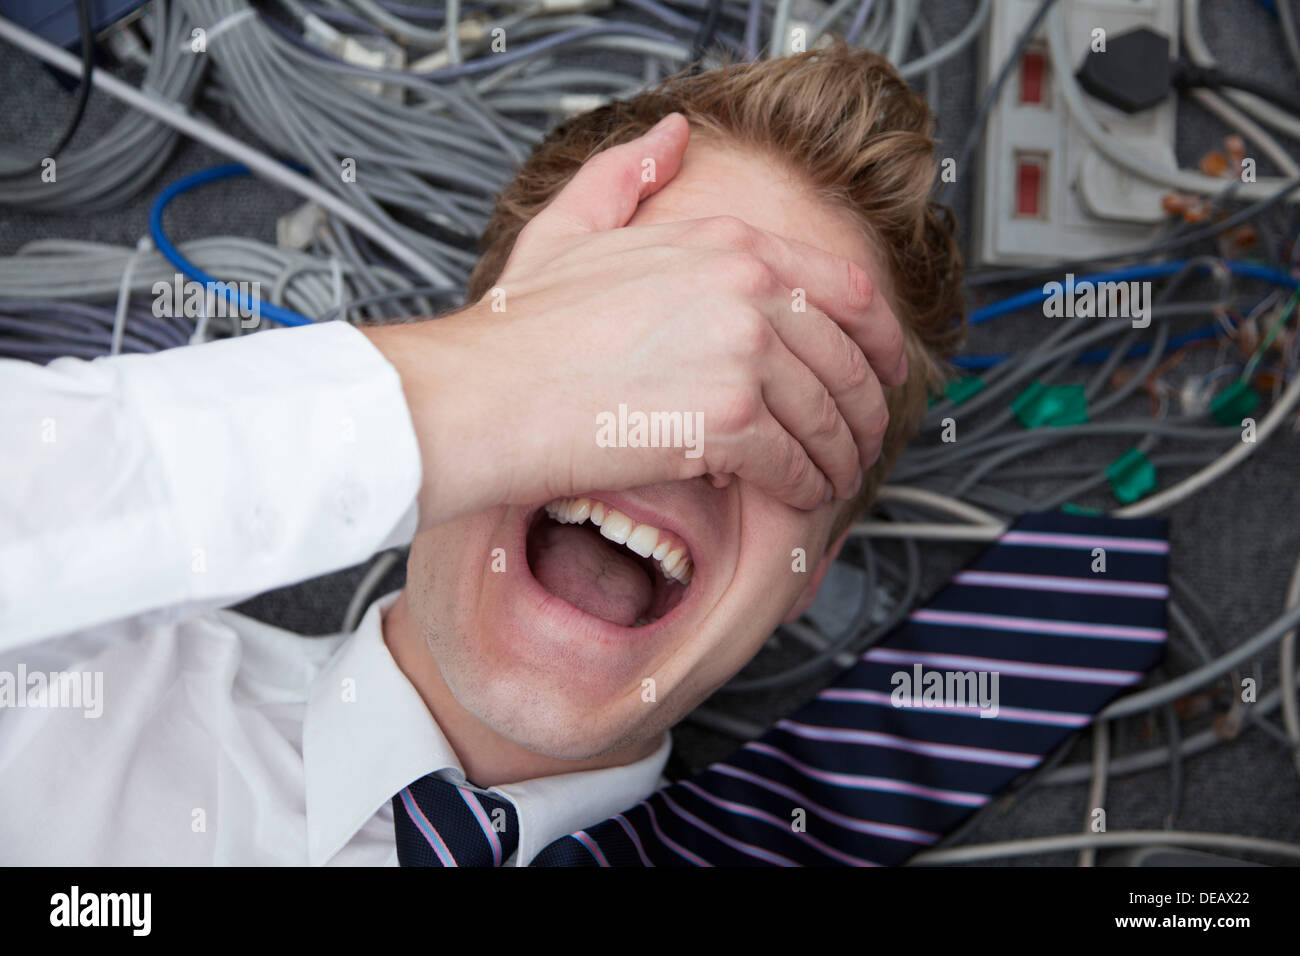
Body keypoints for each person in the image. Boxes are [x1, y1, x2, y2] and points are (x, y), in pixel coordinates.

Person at [0, 41, 963, 865]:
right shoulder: (59, 704)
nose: (697, 429)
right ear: (493, 361)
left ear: (809, 574)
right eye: (648, 340)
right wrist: (458, 392)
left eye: (794, 395)